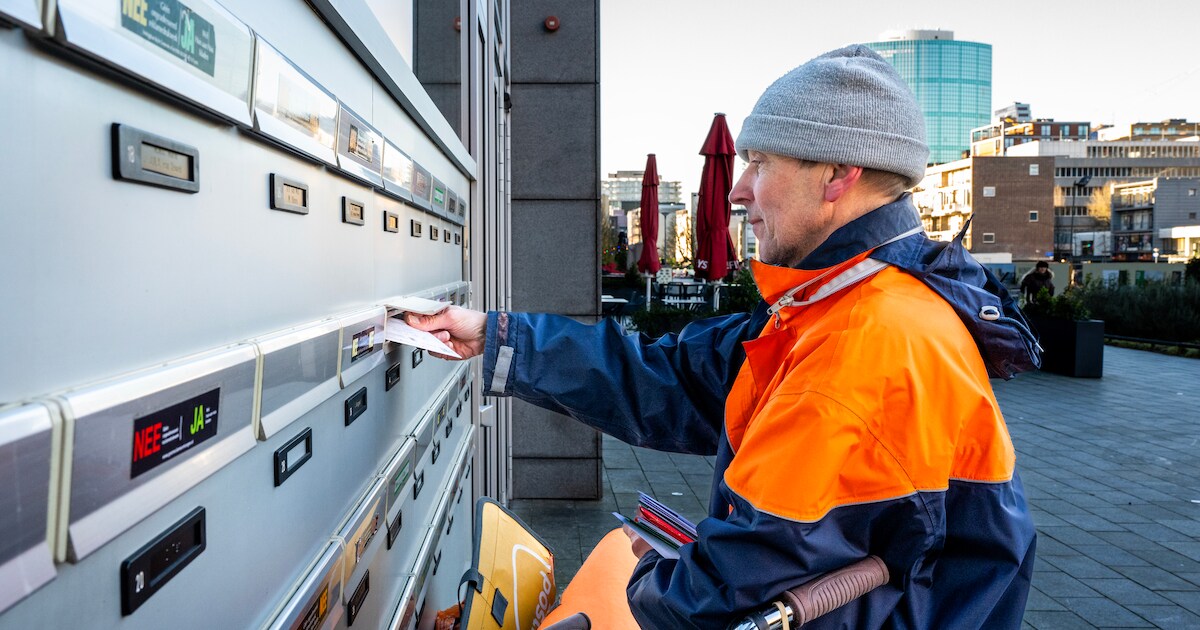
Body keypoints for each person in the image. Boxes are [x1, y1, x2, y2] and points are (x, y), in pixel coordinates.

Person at [408, 45, 1037, 629]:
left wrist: (657, 566)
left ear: (838, 174)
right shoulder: (838, 304)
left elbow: (729, 590)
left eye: (760, 163)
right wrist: (495, 337)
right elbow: (670, 378)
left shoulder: (860, 343)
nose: (738, 191)